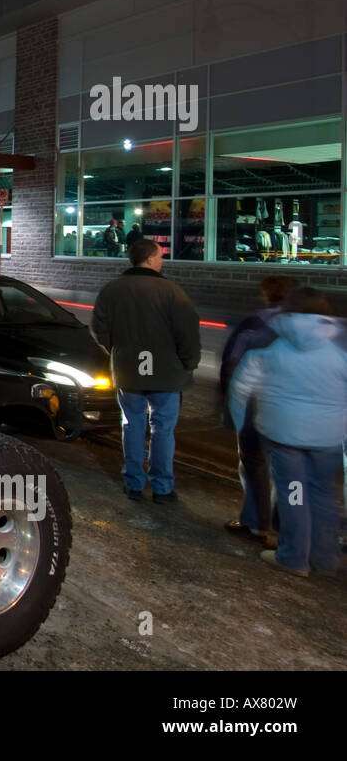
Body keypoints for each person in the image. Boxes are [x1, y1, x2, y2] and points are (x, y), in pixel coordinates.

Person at [227, 287, 347, 577]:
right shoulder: (340, 348)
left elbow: (241, 388)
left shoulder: (268, 342)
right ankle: (326, 556)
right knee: (323, 494)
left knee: (294, 494)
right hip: (328, 437)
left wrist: (238, 421)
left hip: (284, 437)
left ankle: (294, 557)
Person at [92, 238, 201, 503]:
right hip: (166, 373)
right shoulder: (172, 292)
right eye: (161, 256)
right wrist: (188, 363)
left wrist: (119, 352)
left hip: (129, 370)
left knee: (132, 425)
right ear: (150, 259)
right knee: (163, 429)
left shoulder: (112, 290)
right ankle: (162, 488)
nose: (163, 260)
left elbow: (100, 328)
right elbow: (187, 333)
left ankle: (134, 484)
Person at [218, 275, 297, 541]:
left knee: (254, 465)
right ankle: (286, 522)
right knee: (289, 469)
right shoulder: (307, 329)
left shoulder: (253, 326)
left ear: (266, 295)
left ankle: (256, 522)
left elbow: (232, 364)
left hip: (256, 406)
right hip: (294, 409)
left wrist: (230, 404)